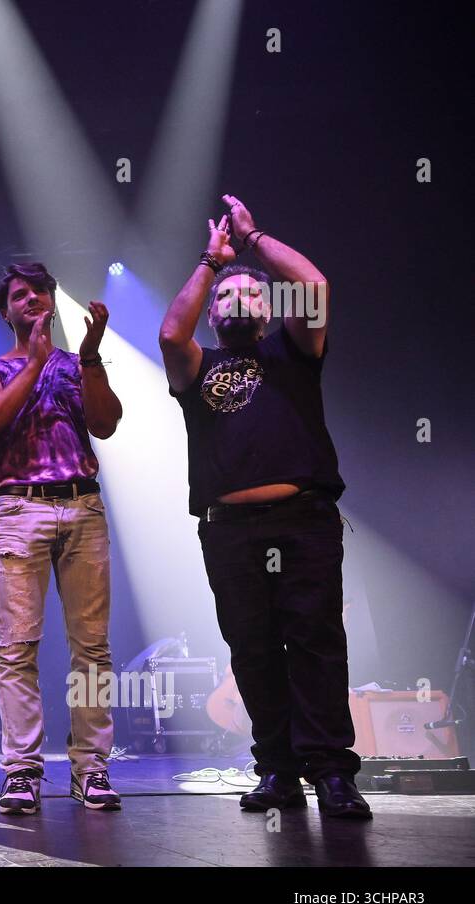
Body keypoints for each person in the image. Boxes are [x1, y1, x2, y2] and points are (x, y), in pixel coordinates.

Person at [157, 194, 370, 819]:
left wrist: (252, 244)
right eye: (224, 298)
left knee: (316, 643)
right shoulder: (199, 365)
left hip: (301, 520)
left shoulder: (293, 352)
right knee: (252, 648)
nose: (235, 302)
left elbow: (314, 285)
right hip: (228, 529)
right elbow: (172, 331)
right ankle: (278, 771)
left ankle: (332, 772)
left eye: (249, 295)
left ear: (270, 307)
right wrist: (211, 263)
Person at [0, 263, 124, 814]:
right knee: (17, 648)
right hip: (20, 507)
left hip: (82, 504)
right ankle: (23, 771)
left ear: (53, 300)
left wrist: (93, 354)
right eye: (19, 294)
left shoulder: (76, 363)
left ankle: (92, 768)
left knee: (93, 650)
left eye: (40, 291)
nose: (31, 298)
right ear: (6, 310)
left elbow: (105, 424)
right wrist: (33, 362)